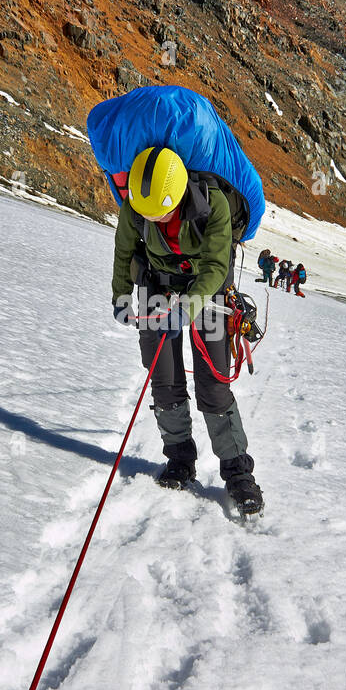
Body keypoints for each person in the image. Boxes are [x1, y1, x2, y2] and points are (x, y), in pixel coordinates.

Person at [110, 145, 264, 516]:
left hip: (207, 293)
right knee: (163, 380)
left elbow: (214, 266)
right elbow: (124, 249)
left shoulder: (215, 206)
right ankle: (179, 458)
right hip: (155, 288)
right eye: (147, 215)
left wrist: (189, 306)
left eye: (160, 214)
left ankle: (238, 472)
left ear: (178, 195)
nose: (154, 221)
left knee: (213, 385)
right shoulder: (138, 205)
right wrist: (120, 295)